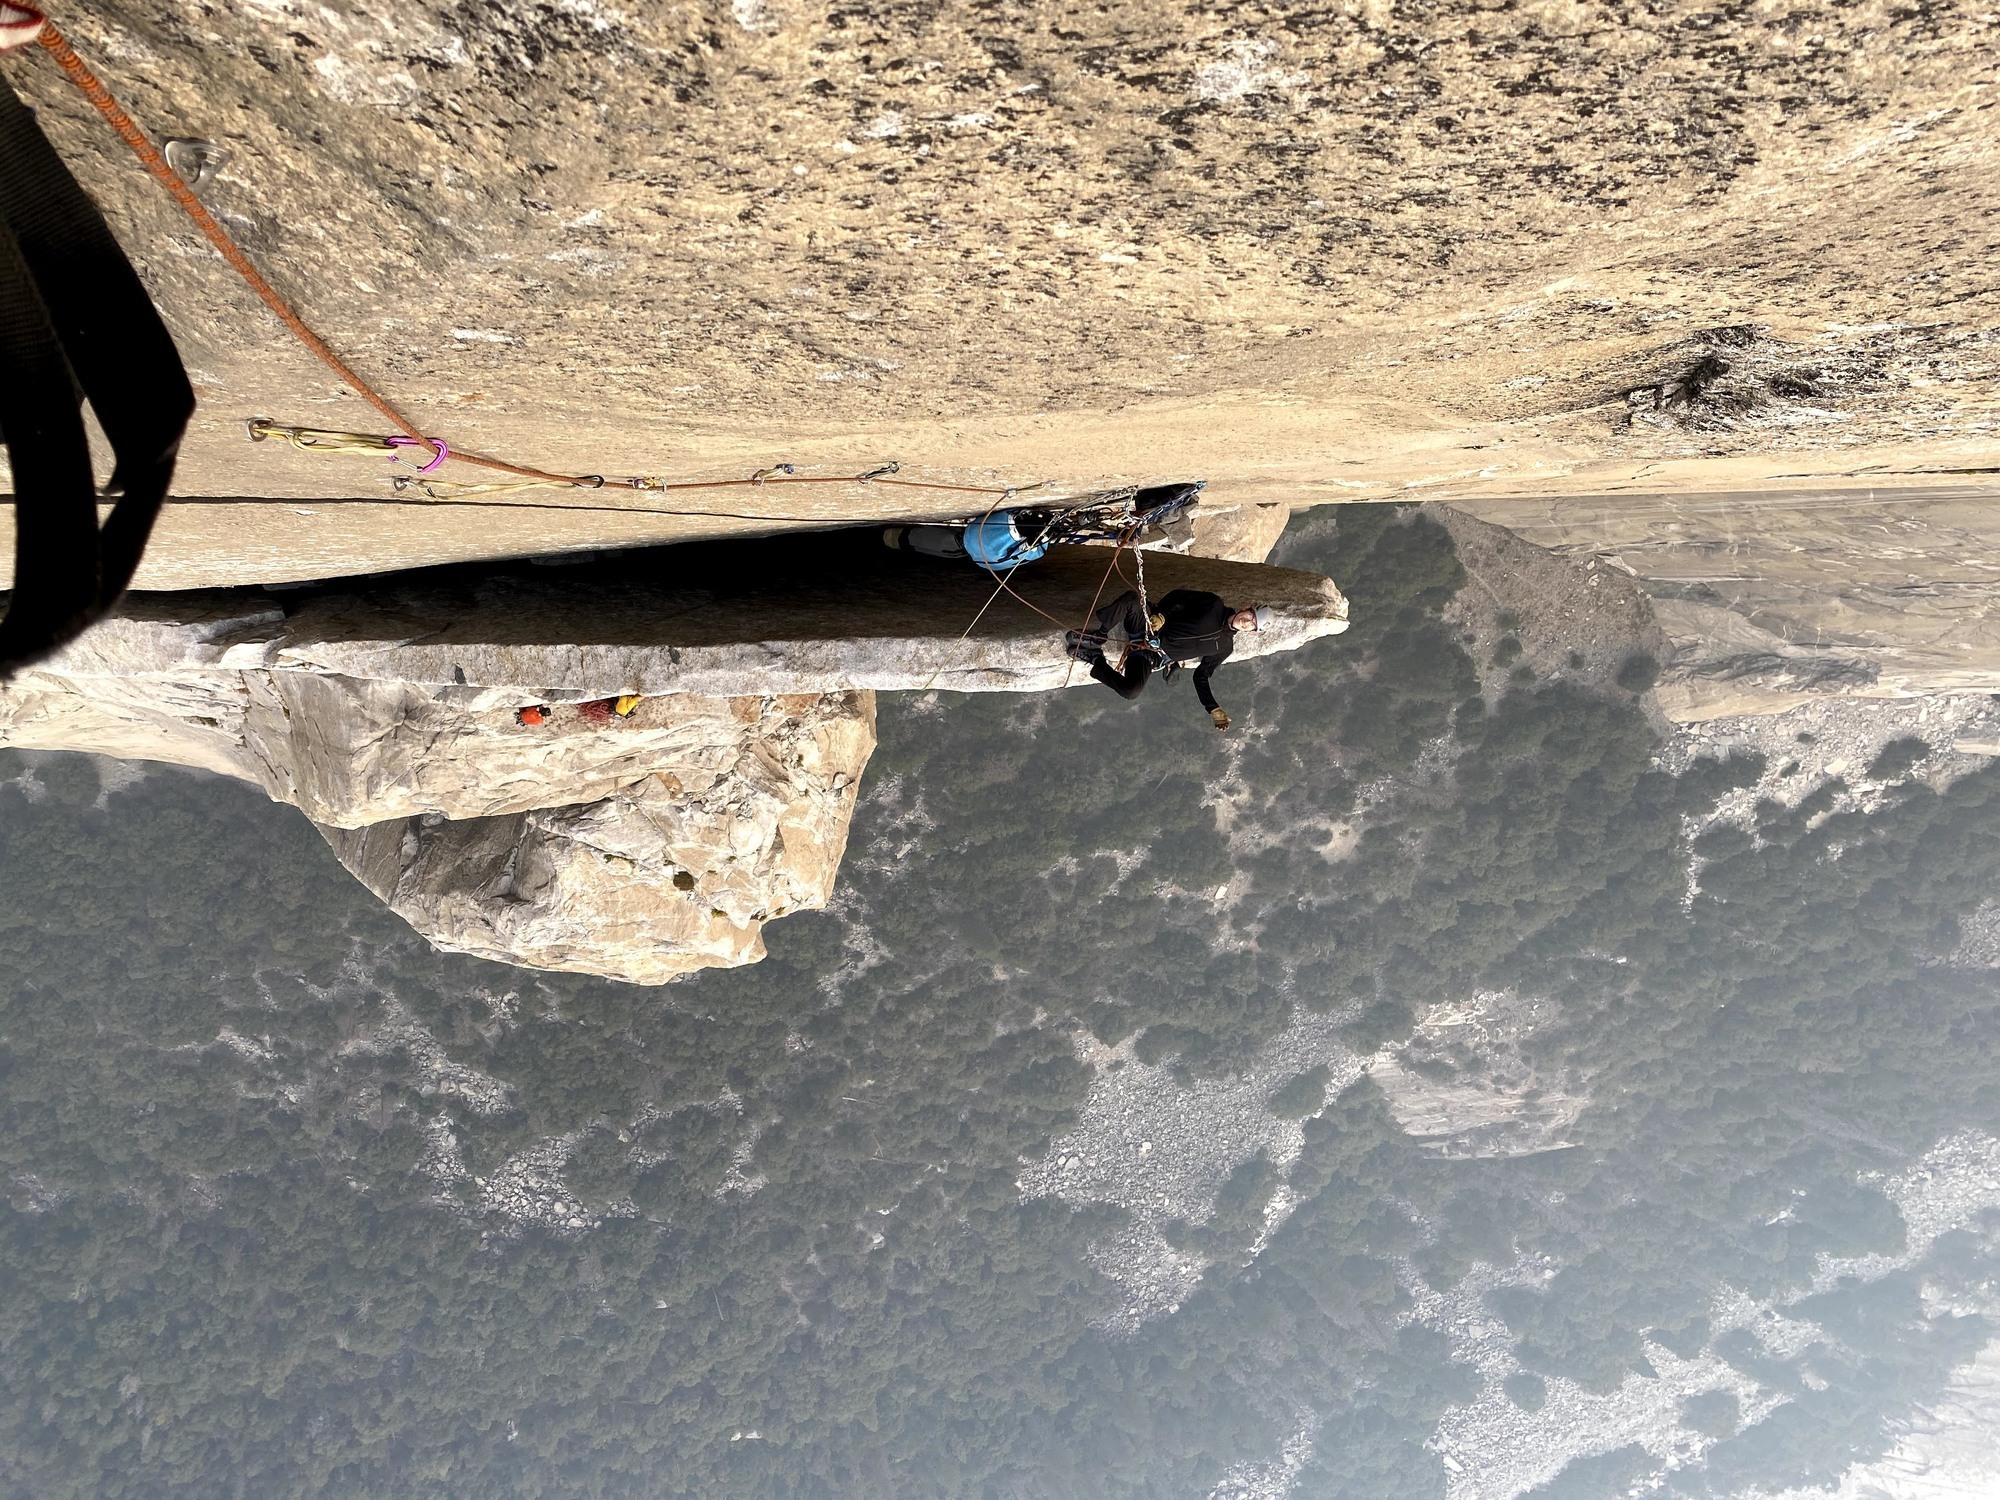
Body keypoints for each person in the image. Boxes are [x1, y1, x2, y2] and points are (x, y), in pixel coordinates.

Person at [1066, 589, 1269, 730]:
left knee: (1131, 690)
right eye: (1251, 616)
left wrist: (1212, 707)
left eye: (1252, 625)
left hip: (1151, 655)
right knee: (1131, 600)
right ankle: (1098, 637)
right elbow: (1178, 597)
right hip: (1151, 627)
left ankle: (1096, 659)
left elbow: (1201, 675)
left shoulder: (1225, 648)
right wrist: (1162, 615)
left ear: (1251, 632)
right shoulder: (1214, 604)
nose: (1247, 622)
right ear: (1246, 607)